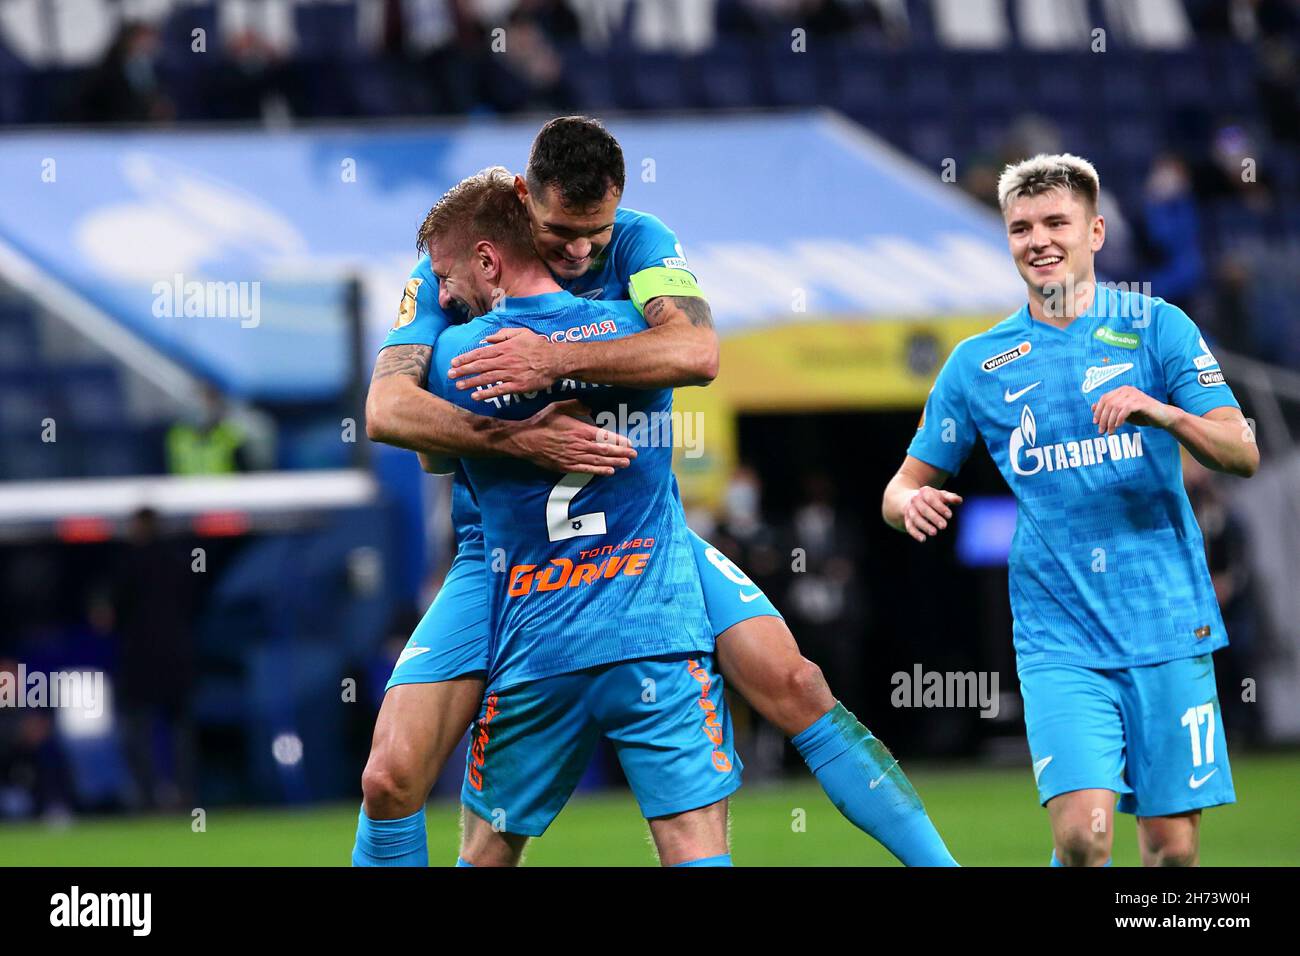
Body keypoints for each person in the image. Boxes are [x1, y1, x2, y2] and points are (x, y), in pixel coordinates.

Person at [355, 115, 956, 866]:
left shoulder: (639, 239)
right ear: (520, 201)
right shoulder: (454, 266)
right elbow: (385, 407)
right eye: (559, 231)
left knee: (795, 680)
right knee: (391, 776)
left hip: (637, 532)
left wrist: (549, 357)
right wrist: (512, 436)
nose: (579, 250)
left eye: (594, 232)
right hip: (499, 550)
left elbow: (698, 350)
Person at [882, 153, 1259, 866]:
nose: (1039, 239)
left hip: (1169, 621)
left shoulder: (1158, 327)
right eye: (1021, 227)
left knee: (1172, 851)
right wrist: (911, 502)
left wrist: (1163, 413)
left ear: (1096, 231)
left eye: (1057, 222)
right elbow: (898, 487)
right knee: (1082, 840)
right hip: (1060, 636)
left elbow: (1241, 452)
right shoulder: (977, 363)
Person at [421, 167, 738, 864]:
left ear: (487, 258)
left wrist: (510, 434)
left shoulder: (455, 357)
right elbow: (694, 352)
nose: (441, 295)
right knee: (693, 844)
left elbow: (426, 453)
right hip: (653, 626)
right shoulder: (635, 333)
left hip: (538, 644)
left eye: (445, 277)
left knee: (486, 852)